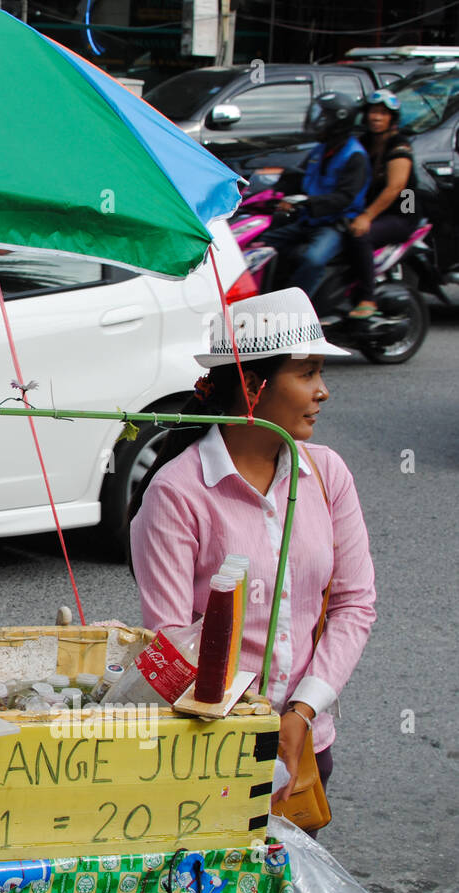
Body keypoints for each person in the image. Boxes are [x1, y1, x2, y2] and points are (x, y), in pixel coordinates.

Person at [128, 288, 376, 819]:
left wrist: (302, 712)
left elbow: (355, 605)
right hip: (214, 750)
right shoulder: (177, 492)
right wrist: (253, 719)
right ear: (251, 384)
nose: (323, 392)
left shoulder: (327, 474)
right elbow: (169, 643)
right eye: (307, 374)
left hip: (306, 741)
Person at [258, 92, 370, 302]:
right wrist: (275, 191)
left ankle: (293, 307)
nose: (318, 121)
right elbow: (298, 178)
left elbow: (345, 198)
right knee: (260, 243)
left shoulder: (355, 156)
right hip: (308, 219)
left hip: (334, 224)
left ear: (339, 121)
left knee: (313, 259)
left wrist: (308, 202)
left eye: (324, 117)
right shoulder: (320, 150)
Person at [345, 90, 418, 319]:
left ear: (392, 119)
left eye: (383, 114)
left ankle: (368, 297)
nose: (376, 117)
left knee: (360, 235)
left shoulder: (399, 145)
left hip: (402, 214)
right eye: (373, 112)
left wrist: (366, 216)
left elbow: (395, 187)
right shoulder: (364, 142)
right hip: (371, 210)